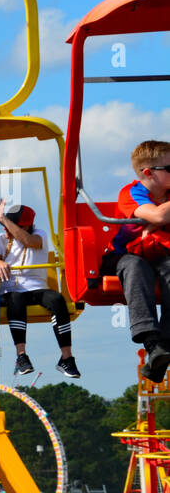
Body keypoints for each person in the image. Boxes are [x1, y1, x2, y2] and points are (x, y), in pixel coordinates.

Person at [99, 140, 170, 382]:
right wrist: (156, 221)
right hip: (124, 255)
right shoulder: (132, 193)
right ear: (148, 173)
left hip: (158, 253)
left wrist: (156, 224)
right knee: (135, 267)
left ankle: (164, 346)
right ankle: (151, 342)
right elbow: (158, 215)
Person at [0, 199, 79, 378]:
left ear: (25, 226)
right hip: (10, 290)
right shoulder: (0, 240)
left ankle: (67, 358)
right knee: (16, 299)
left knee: (57, 299)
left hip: (37, 289)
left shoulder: (40, 235)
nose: (5, 229)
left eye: (9, 226)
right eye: (4, 226)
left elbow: (29, 241)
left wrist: (3, 219)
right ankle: (21, 356)